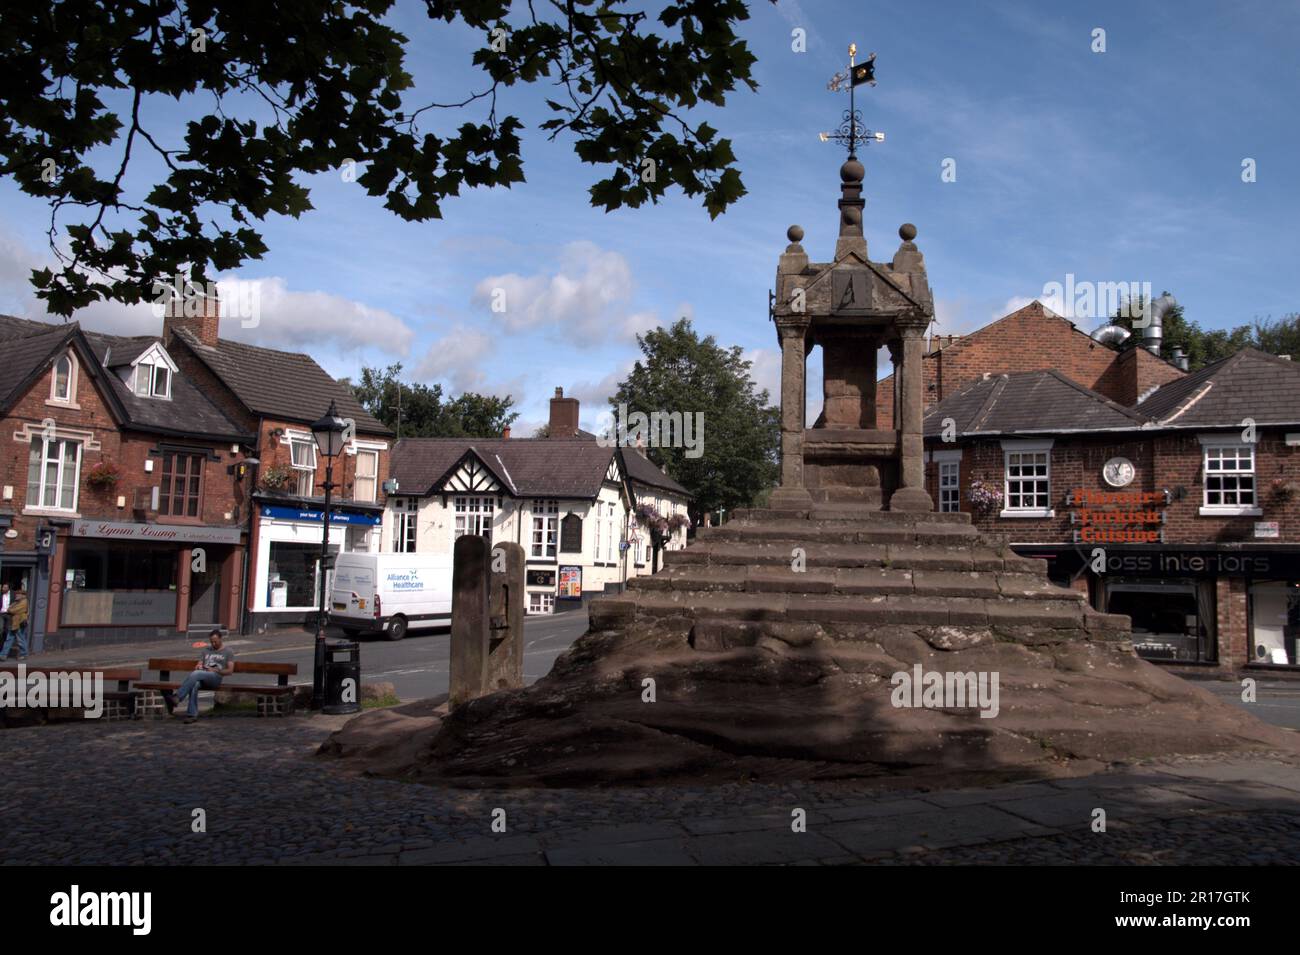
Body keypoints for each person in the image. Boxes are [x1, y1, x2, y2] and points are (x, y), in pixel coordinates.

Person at [164, 629, 235, 724]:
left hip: (216, 677)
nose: (213, 644)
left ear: (221, 639)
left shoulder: (228, 651)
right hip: (203, 676)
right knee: (195, 684)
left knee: (196, 674)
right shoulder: (206, 650)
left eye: (215, 641)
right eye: (211, 642)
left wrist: (215, 670)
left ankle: (178, 697)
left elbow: (230, 671)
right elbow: (200, 663)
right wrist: (199, 666)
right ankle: (192, 715)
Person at [0, 588, 29, 662]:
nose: (16, 595)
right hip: (13, 623)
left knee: (20, 639)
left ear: (23, 595)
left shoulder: (24, 602)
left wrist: (10, 609)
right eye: (16, 594)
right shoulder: (17, 602)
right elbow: (9, 608)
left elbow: (12, 610)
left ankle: (24, 654)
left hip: (19, 623)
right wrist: (10, 608)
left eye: (18, 594)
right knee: (9, 639)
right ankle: (3, 655)